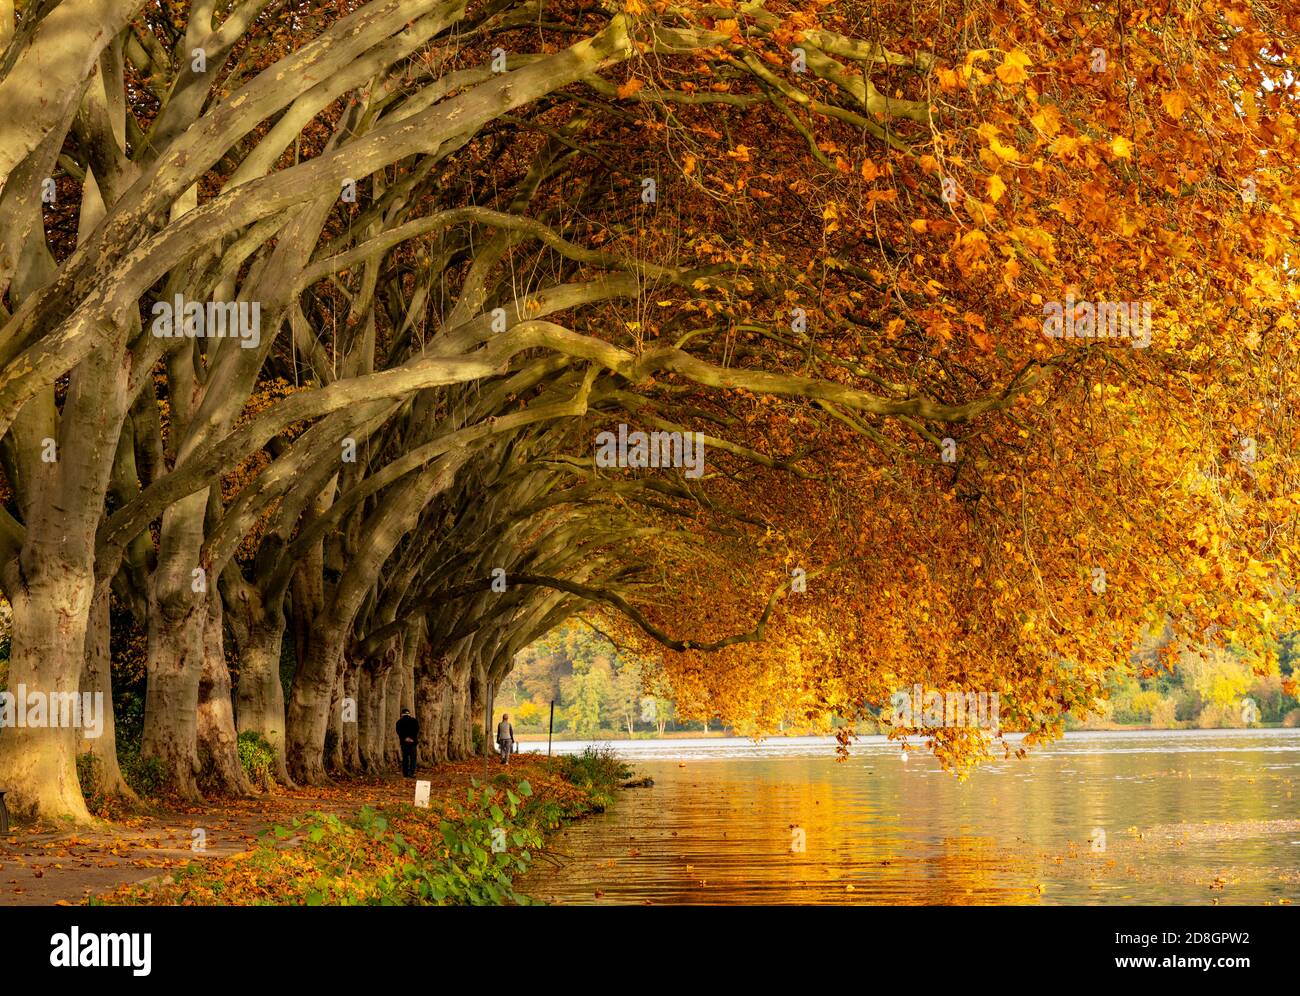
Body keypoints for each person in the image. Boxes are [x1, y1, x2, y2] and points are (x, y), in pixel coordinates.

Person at [396, 708, 419, 777]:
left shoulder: (399, 722)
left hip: (404, 742)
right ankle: (412, 772)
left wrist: (405, 738)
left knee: (405, 758)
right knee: (413, 758)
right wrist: (412, 738)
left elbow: (399, 731)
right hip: (413, 742)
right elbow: (416, 730)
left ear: (402, 714)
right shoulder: (414, 721)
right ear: (409, 713)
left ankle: (405, 773)